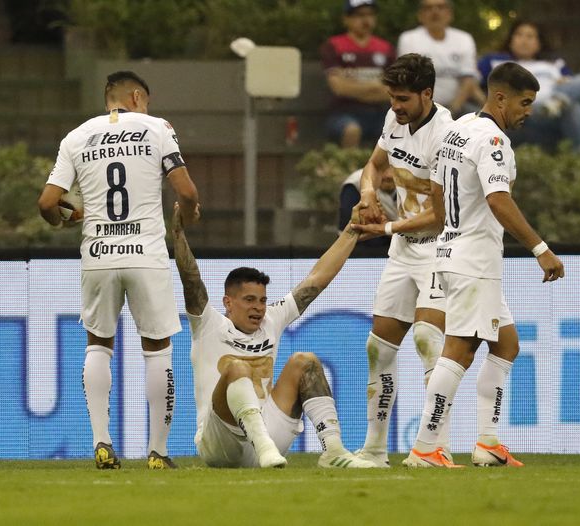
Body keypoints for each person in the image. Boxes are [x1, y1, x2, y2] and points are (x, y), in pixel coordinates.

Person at [404, 62, 565, 468]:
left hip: (453, 253)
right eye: (524, 102)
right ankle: (425, 446)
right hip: (474, 260)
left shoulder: (456, 130)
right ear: (500, 97)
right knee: (459, 348)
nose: (528, 111)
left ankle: (488, 443)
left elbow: (438, 193)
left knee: (506, 344)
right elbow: (498, 199)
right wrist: (539, 247)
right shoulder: (494, 140)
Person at [37, 71, 199, 470]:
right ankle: (158, 452)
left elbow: (47, 203)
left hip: (98, 255)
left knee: (98, 345)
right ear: (136, 96)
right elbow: (187, 192)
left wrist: (64, 220)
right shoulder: (157, 128)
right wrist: (189, 217)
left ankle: (101, 443)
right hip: (146, 253)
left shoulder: (75, 137)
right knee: (157, 348)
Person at [172, 202, 375, 469]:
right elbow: (191, 280)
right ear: (228, 302)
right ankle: (264, 447)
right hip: (221, 443)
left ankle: (333, 451)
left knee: (306, 361)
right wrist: (177, 232)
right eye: (249, 300)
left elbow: (317, 280)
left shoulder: (271, 319)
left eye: (262, 300)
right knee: (236, 368)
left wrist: (352, 231)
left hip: (270, 432)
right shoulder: (208, 324)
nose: (258, 307)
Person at [349, 53, 454, 467]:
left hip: (440, 246)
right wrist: (369, 196)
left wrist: (388, 228)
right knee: (379, 349)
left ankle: (433, 448)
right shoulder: (393, 121)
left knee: (429, 341)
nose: (396, 106)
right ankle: (375, 450)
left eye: (404, 98)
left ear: (427, 94)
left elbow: (443, 213)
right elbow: (372, 168)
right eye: (392, 97)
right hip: (403, 249)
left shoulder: (446, 135)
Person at [478, 19, 580, 154]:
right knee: (572, 106)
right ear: (511, 40)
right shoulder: (494, 60)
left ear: (539, 43)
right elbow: (473, 81)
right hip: (524, 110)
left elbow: (572, 85)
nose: (524, 41)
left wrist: (564, 82)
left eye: (530, 36)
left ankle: (555, 103)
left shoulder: (554, 63)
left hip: (551, 114)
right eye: (519, 35)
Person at [320, 0, 396, 148]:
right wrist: (374, 87)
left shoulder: (386, 48)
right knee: (351, 130)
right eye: (359, 15)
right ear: (346, 19)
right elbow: (339, 88)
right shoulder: (334, 46)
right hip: (344, 112)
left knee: (400, 130)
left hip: (380, 111)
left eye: (370, 15)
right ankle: (348, 168)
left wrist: (354, 87)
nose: (365, 20)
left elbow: (393, 90)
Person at [397, 0, 485, 117]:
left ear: (450, 13)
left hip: (457, 107)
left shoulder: (464, 39)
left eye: (440, 7)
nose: (435, 12)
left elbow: (468, 80)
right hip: (420, 108)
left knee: (484, 123)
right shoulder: (409, 39)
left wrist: (452, 111)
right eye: (429, 8)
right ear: (420, 15)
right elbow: (408, 80)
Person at [338, 167, 397, 248]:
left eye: (393, 169)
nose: (388, 175)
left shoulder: (412, 181)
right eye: (384, 170)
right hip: (363, 247)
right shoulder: (355, 184)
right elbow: (347, 233)